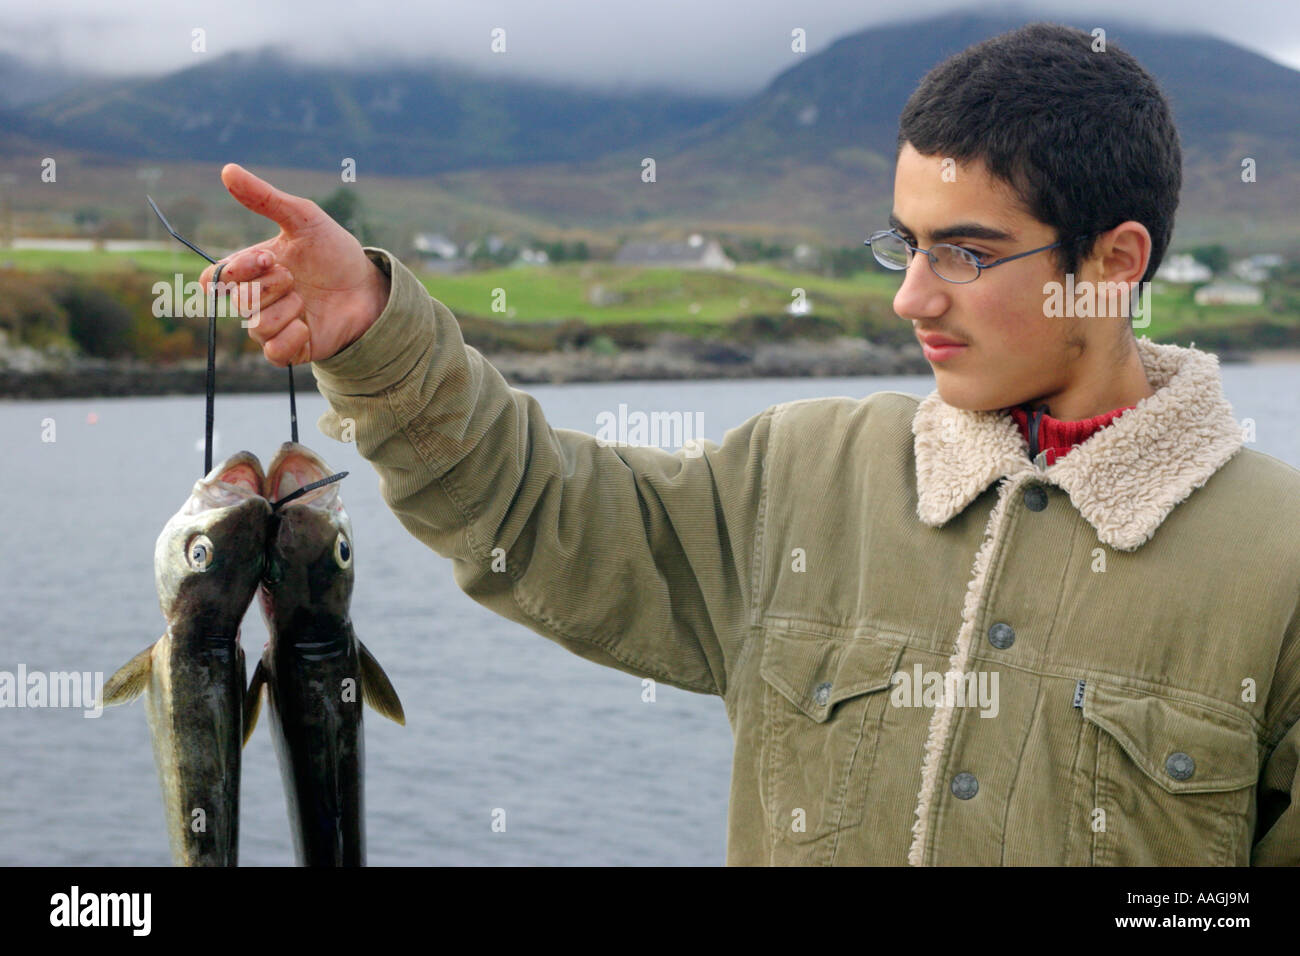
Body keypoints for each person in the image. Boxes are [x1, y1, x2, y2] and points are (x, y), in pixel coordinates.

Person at [202, 22, 1300, 865]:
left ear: (1112, 263)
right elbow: (534, 513)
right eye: (904, 244)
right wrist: (375, 332)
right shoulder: (796, 477)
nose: (910, 296)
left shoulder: (1280, 567)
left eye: (965, 252)